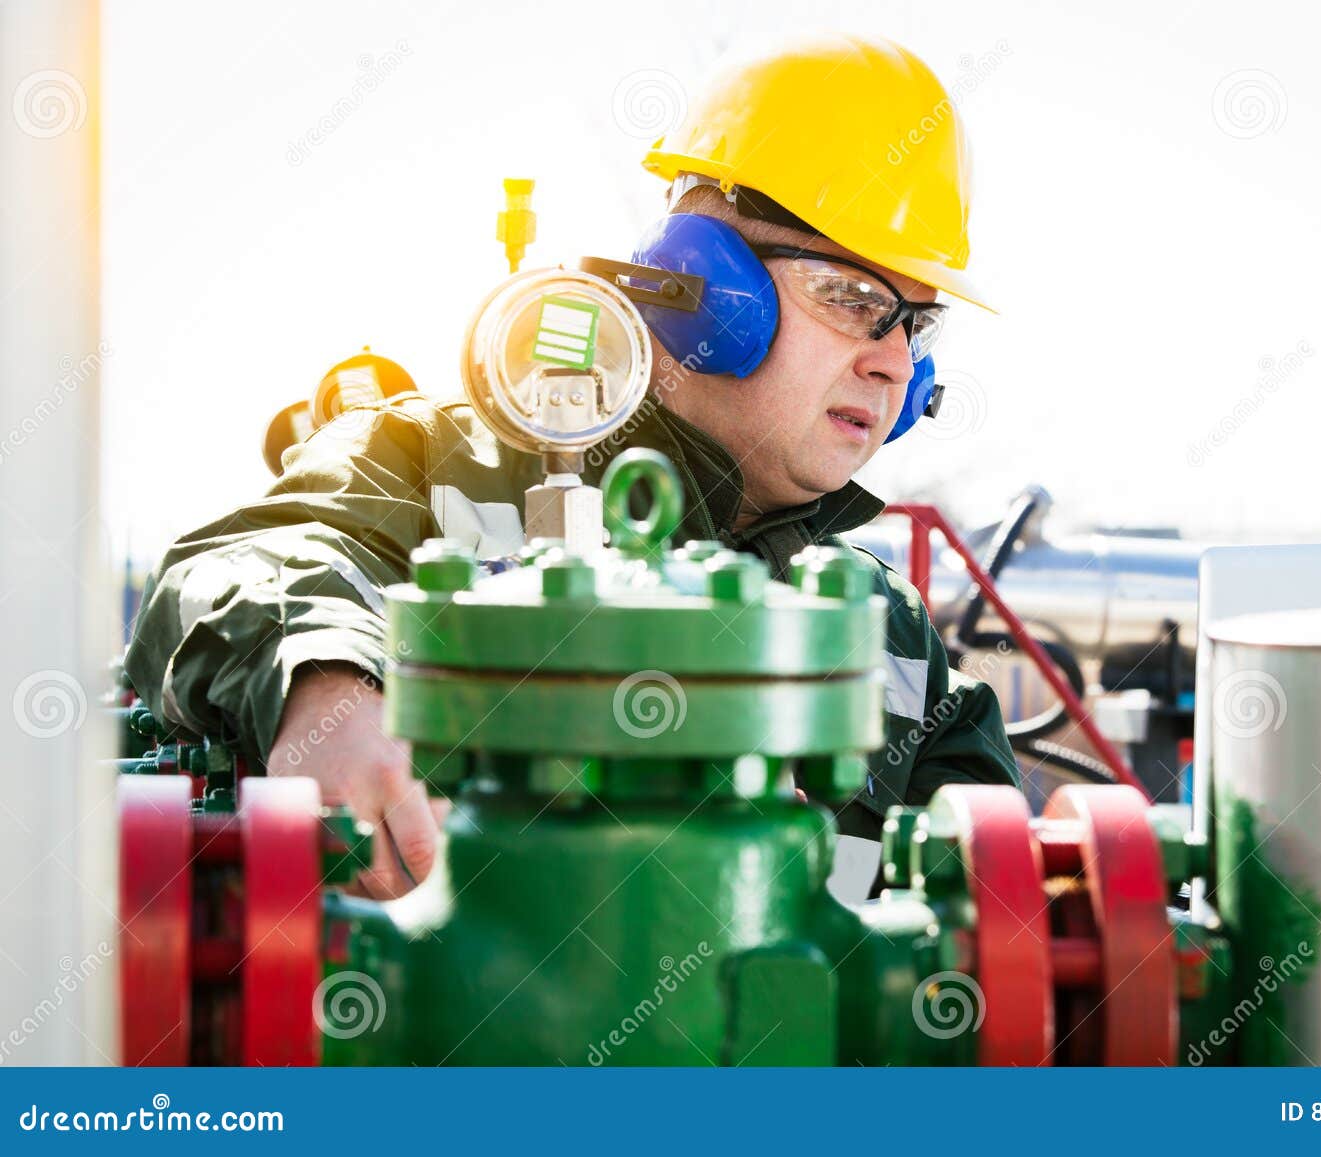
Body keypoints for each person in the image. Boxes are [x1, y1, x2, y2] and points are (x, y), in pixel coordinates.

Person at [125, 34, 1019, 900]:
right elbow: (236, 567)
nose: (897, 363)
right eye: (855, 298)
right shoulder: (433, 466)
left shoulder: (888, 632)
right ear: (707, 281)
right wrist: (323, 691)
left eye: (916, 322)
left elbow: (1015, 924)